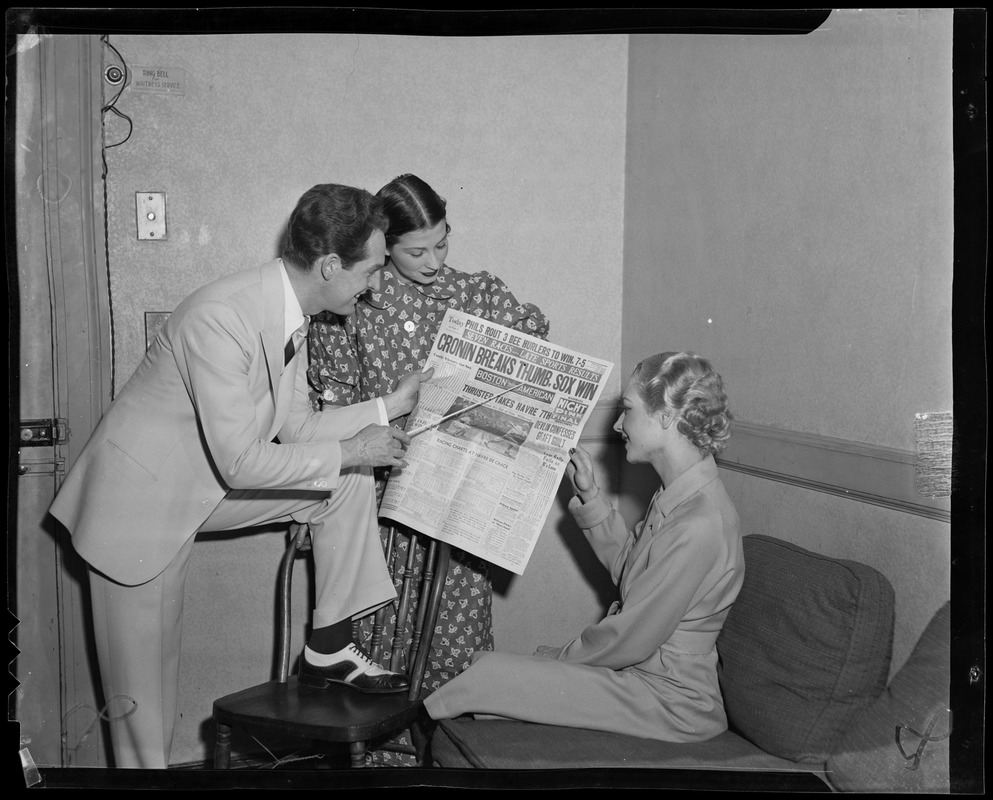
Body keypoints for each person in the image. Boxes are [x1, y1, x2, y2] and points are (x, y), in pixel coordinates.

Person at [48, 183, 433, 769]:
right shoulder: (223, 317)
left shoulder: (291, 313)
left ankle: (328, 647)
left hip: (196, 491)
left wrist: (392, 407)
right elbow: (241, 461)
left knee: (343, 480)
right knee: (142, 722)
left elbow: (301, 431)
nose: (377, 285)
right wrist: (354, 447)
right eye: (373, 270)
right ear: (330, 266)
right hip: (134, 514)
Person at [307, 174, 549, 698]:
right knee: (382, 631)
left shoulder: (474, 292)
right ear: (384, 246)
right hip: (379, 494)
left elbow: (533, 347)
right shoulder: (351, 305)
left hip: (456, 498)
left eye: (442, 243)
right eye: (416, 251)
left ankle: (451, 756)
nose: (434, 262)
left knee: (454, 634)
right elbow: (332, 410)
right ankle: (385, 764)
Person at [422, 352, 744, 743]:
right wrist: (591, 496)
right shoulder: (679, 496)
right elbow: (633, 573)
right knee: (487, 667)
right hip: (645, 679)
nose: (617, 424)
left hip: (672, 701)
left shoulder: (699, 520)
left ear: (665, 416)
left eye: (627, 410)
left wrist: (557, 660)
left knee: (490, 676)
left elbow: (631, 637)